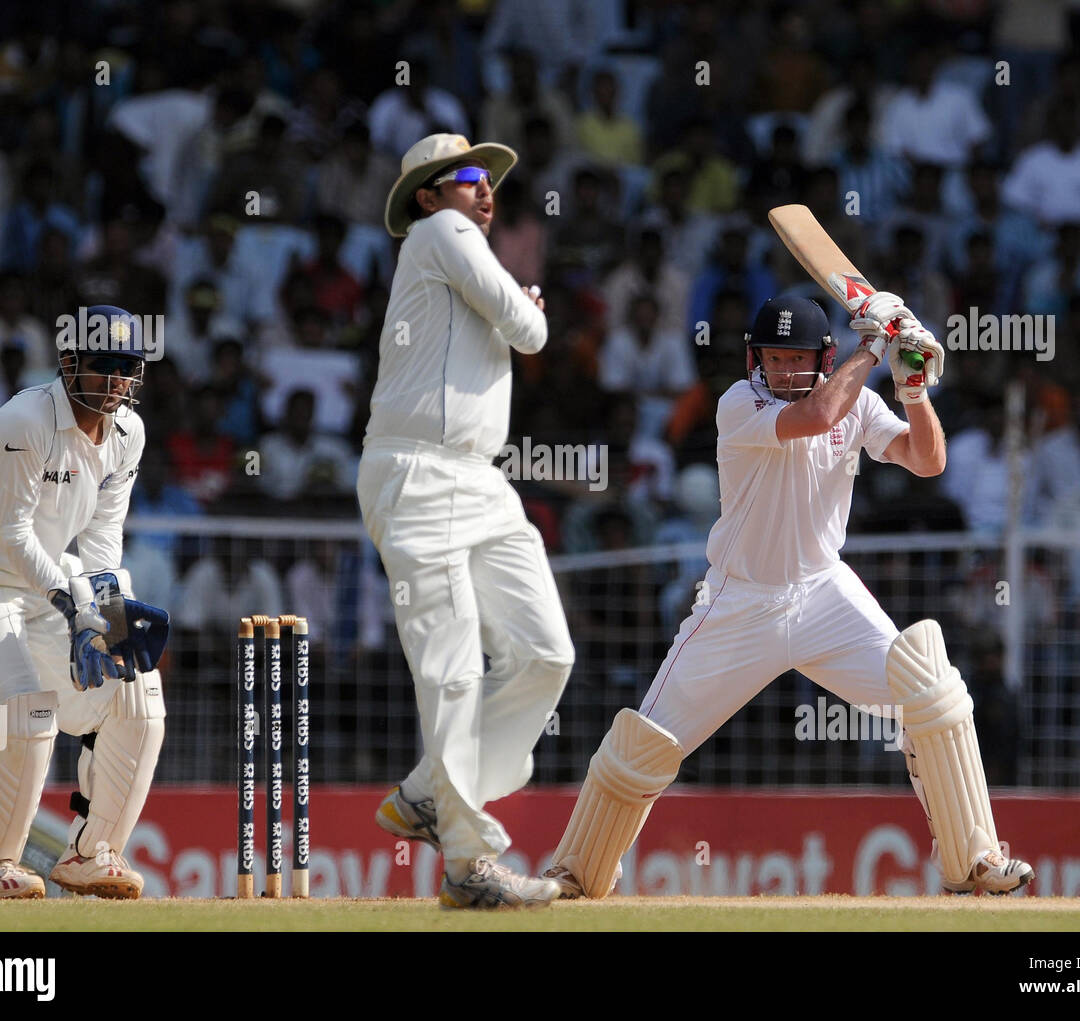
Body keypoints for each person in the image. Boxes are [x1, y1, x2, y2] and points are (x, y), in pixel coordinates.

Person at [543, 295, 1034, 900]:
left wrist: (913, 389)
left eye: (794, 359)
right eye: (772, 358)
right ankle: (578, 869)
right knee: (646, 741)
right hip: (738, 602)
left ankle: (975, 860)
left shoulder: (857, 401)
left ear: (822, 358)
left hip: (825, 593)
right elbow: (819, 417)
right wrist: (877, 345)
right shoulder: (738, 404)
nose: (781, 371)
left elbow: (927, 460)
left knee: (930, 689)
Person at [358, 134, 575, 909]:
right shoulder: (438, 232)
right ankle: (466, 862)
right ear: (428, 194)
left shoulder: (458, 262)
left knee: (546, 653)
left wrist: (520, 308)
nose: (487, 191)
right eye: (470, 178)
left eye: (492, 182)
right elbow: (533, 330)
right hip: (416, 472)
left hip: (481, 480)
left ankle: (428, 793)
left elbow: (517, 323)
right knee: (451, 673)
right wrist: (526, 305)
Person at [0, 305, 169, 899]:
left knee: (138, 691)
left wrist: (108, 616)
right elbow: (11, 534)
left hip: (49, 580)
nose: (116, 380)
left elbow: (104, 540)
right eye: (104, 364)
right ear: (70, 364)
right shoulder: (24, 421)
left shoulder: (128, 433)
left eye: (128, 366)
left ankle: (93, 853)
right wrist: (74, 609)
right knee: (26, 710)